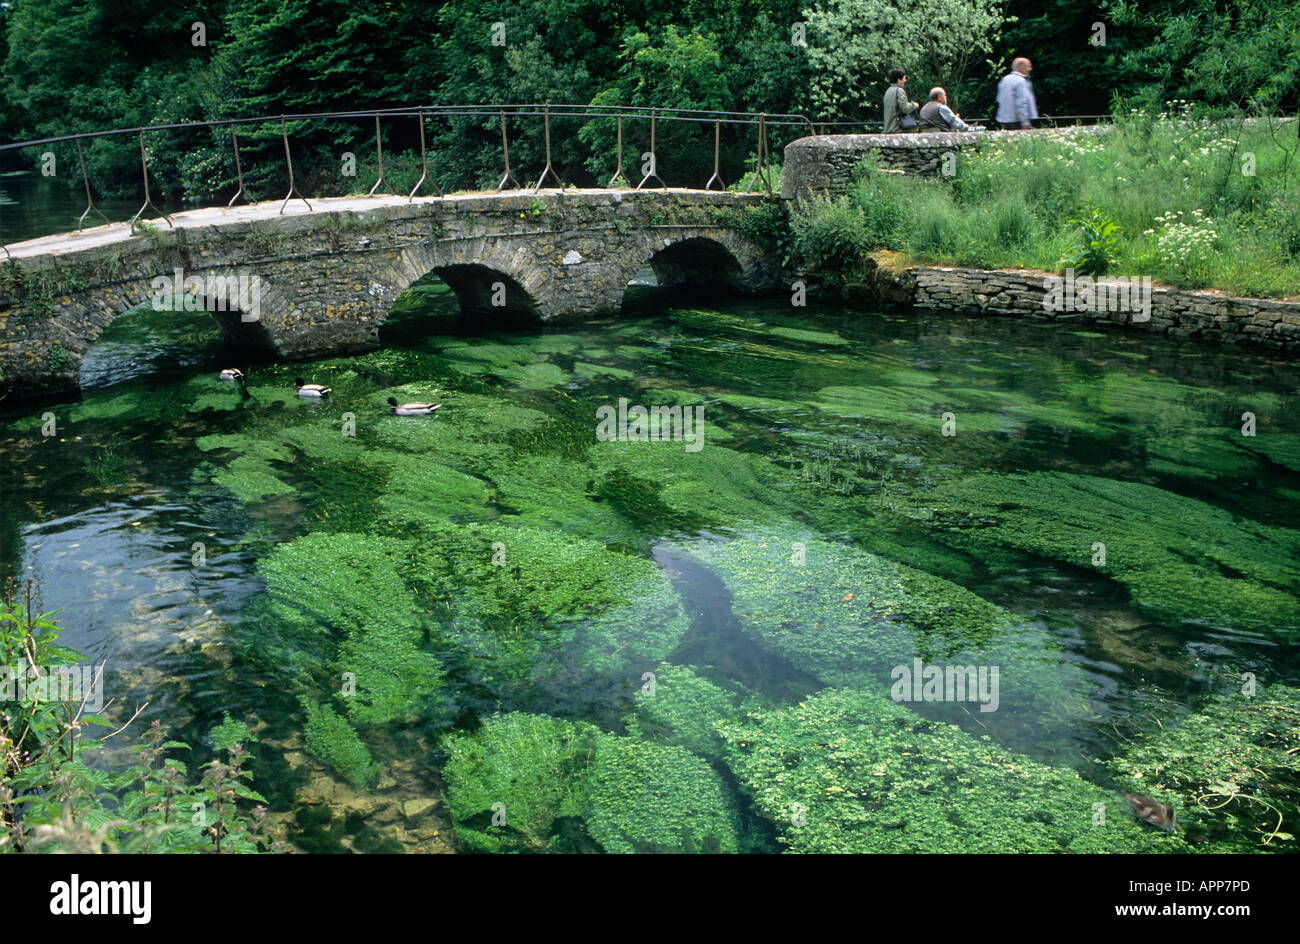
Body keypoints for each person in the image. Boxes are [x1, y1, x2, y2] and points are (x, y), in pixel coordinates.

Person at [995, 58, 1039, 130]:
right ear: (1020, 66)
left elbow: (999, 100)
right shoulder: (1020, 81)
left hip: (1004, 120)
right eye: (1028, 66)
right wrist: (1025, 122)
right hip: (1017, 121)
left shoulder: (1005, 79)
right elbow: (1021, 103)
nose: (1030, 69)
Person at [882, 69, 919, 133]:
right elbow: (905, 108)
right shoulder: (899, 90)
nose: (905, 80)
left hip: (889, 128)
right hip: (898, 129)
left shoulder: (888, 91)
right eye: (904, 78)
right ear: (899, 80)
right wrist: (914, 105)